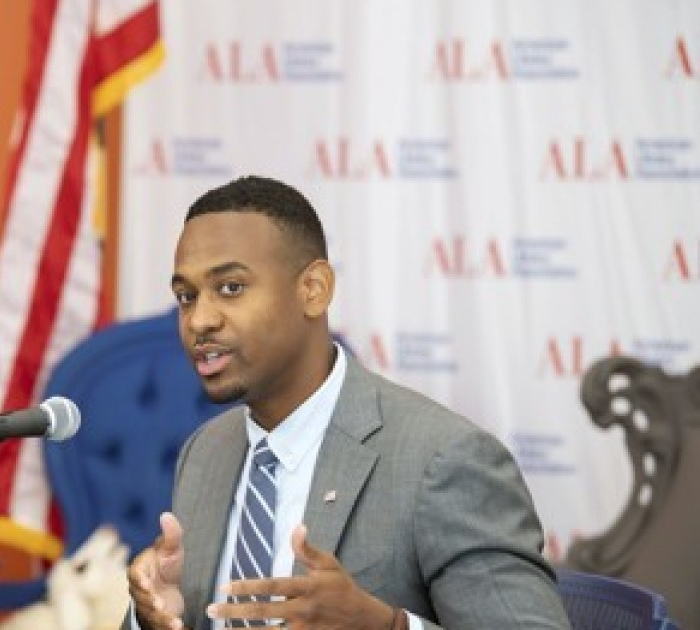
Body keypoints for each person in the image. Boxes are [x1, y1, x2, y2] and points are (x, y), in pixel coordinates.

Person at [125, 176, 570, 630]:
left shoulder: (442, 460)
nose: (199, 320)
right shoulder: (206, 452)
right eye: (187, 296)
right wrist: (150, 616)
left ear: (314, 289)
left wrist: (387, 626)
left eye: (231, 288)